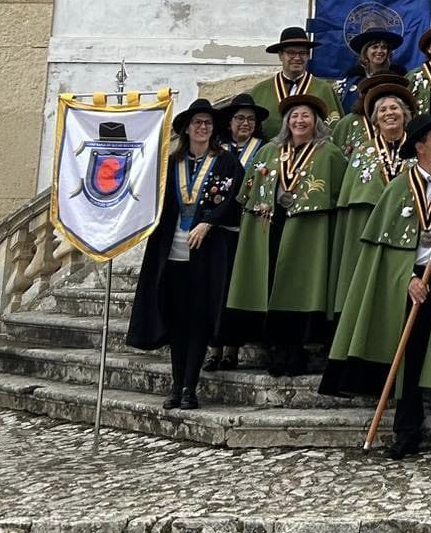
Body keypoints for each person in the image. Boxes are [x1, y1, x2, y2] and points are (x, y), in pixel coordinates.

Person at [321, 110, 431, 459]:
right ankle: (407, 431)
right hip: (411, 278)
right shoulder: (399, 186)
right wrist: (407, 279)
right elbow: (380, 247)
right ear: (420, 146)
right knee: (408, 353)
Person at [128, 98, 244, 410]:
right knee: (177, 323)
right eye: (197, 123)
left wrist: (209, 222)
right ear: (187, 129)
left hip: (207, 256)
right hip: (172, 254)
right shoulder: (171, 164)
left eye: (208, 123)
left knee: (199, 322)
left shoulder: (226, 162)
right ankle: (176, 385)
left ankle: (190, 388)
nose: (203, 127)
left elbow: (234, 199)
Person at [225, 92, 346, 376]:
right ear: (287, 122)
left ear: (316, 121)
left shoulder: (329, 153)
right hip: (271, 227)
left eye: (306, 116)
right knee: (271, 285)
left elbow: (340, 196)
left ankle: (299, 352)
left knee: (303, 287)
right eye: (295, 116)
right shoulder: (270, 151)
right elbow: (249, 192)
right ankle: (276, 350)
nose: (299, 121)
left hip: (310, 233)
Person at [332, 78, 419, 313]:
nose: (389, 113)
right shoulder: (364, 151)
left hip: (410, 227)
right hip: (368, 226)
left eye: (394, 108)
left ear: (404, 115)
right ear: (375, 119)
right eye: (382, 110)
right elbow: (352, 196)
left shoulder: (418, 149)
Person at [206, 92, 266, 371]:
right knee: (215, 292)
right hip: (219, 230)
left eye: (250, 119)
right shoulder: (216, 150)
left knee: (237, 291)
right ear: (229, 122)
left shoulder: (264, 150)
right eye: (239, 118)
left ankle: (232, 350)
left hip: (249, 229)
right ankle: (213, 349)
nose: (245, 123)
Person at [246, 25, 341, 126]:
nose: (297, 58)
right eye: (291, 53)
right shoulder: (260, 91)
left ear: (308, 56)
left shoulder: (324, 90)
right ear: (281, 55)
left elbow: (335, 128)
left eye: (302, 53)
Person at [332, 27, 408, 150]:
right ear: (365, 51)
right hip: (358, 137)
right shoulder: (351, 81)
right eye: (375, 47)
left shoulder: (399, 78)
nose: (380, 51)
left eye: (384, 47)